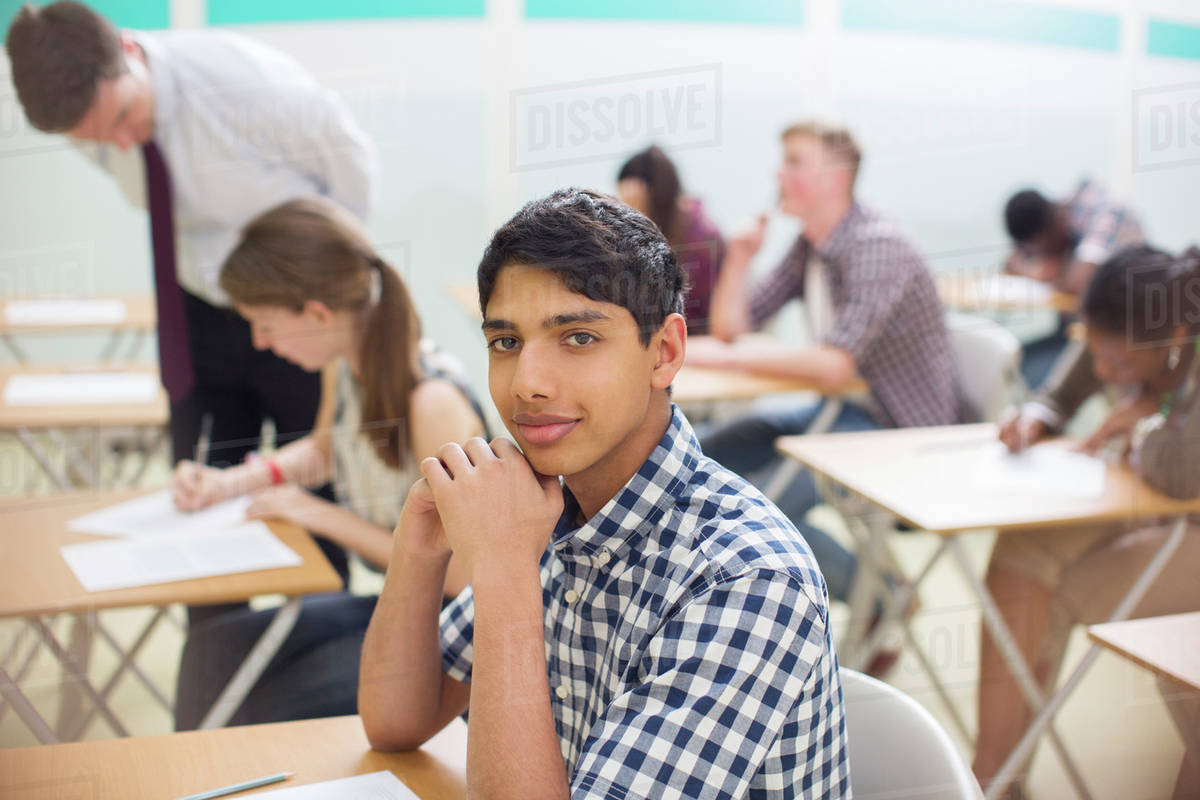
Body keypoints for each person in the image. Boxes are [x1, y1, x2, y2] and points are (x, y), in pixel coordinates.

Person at [358, 188, 849, 798]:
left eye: (579, 338)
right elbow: (395, 721)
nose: (528, 384)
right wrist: (419, 547)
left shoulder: (747, 581)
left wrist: (504, 569)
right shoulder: (548, 511)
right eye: (506, 342)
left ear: (664, 353)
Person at [6, 2, 379, 585]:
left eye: (126, 115)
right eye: (99, 139)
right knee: (198, 498)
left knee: (313, 502)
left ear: (130, 50)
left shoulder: (247, 85)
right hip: (196, 313)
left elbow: (353, 169)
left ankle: (316, 649)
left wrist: (325, 286)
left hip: (294, 314)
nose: (122, 143)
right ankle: (217, 657)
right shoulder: (87, 107)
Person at [169, 197, 487, 730]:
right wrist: (230, 483)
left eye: (266, 324)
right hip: (399, 607)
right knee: (212, 651)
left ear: (318, 313)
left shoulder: (431, 402)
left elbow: (458, 575)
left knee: (259, 706)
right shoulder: (344, 365)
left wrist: (317, 516)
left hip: (455, 627)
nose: (259, 342)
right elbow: (324, 452)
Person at [693, 121, 960, 638]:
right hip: (842, 409)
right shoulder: (812, 246)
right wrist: (741, 258)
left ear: (836, 177)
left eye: (795, 161)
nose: (779, 172)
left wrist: (733, 360)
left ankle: (883, 596)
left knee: (757, 512)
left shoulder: (876, 245)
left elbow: (834, 362)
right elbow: (734, 329)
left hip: (896, 429)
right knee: (709, 458)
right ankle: (880, 591)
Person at [978, 245, 1200, 798]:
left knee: (1059, 593)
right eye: (1094, 351)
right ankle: (992, 776)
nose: (1104, 372)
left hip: (1184, 511)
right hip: (1155, 503)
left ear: (1174, 339)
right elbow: (1062, 394)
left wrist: (1145, 420)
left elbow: (1183, 473)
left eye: (1121, 365)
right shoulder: (1129, 316)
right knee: (1020, 553)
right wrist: (1031, 420)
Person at [1002, 180, 1145, 389]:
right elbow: (1010, 262)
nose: (1040, 252)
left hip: (1126, 333)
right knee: (1018, 364)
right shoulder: (1045, 221)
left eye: (1042, 245)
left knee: (1036, 373)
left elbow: (1076, 285)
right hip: (1080, 330)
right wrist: (1039, 271)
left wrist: (1042, 273)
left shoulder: (1102, 211)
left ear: (1054, 221)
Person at [617, 145, 725, 334]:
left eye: (630, 200)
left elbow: (665, 307)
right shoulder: (678, 230)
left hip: (695, 337)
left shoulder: (700, 240)